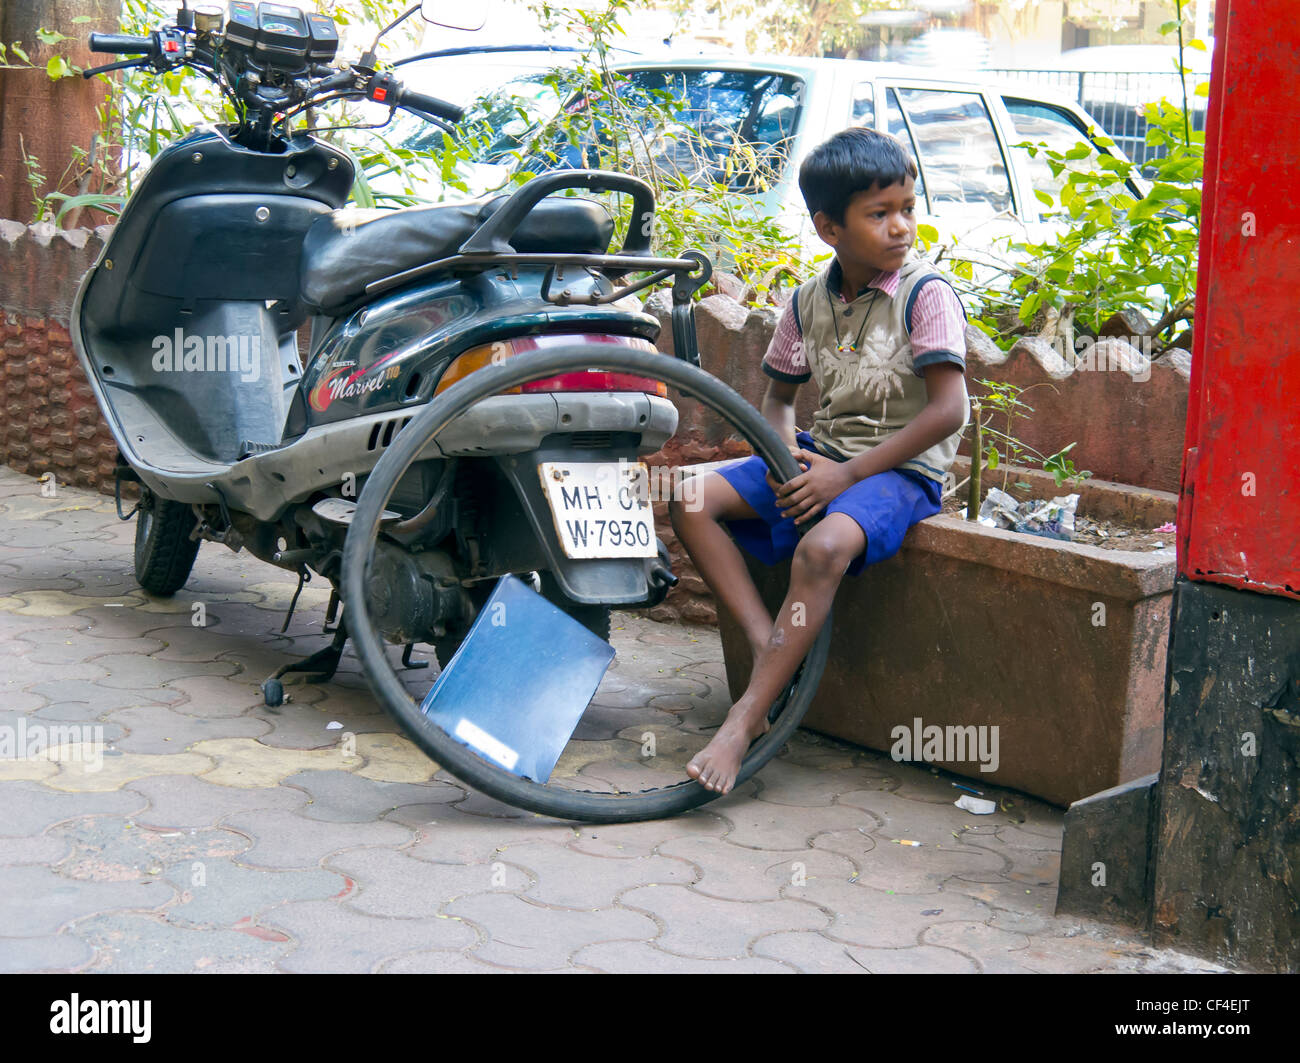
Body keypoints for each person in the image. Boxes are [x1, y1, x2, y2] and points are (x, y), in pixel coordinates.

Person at [669, 127, 970, 795]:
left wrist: (845, 476)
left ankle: (745, 718)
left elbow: (949, 411)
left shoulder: (926, 295)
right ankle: (763, 647)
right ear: (829, 226)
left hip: (898, 473)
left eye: (907, 208)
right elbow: (777, 400)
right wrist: (785, 458)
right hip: (822, 455)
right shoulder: (806, 301)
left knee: (823, 545)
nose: (900, 227)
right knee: (689, 498)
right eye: (879, 213)